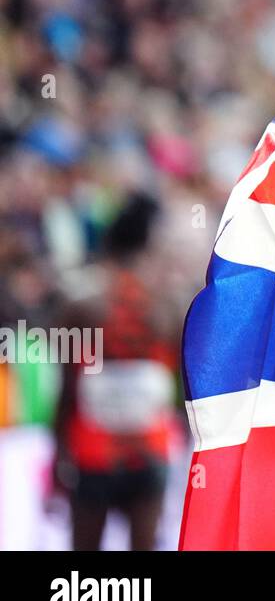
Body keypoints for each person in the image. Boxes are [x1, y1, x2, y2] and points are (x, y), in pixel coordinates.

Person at [53, 193, 182, 550]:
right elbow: (183, 388)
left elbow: (66, 389)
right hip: (150, 449)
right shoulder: (169, 307)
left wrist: (57, 453)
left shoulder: (81, 306)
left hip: (92, 450)